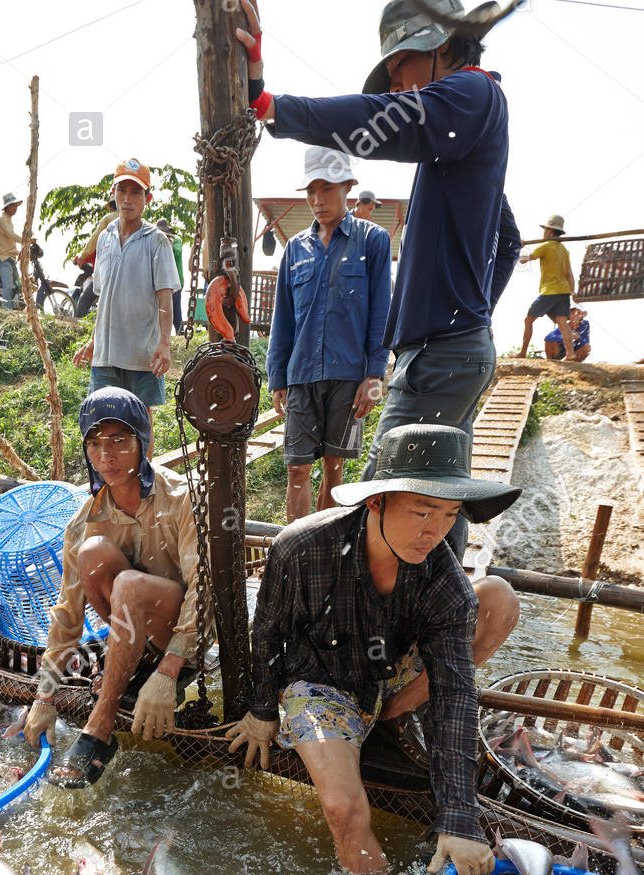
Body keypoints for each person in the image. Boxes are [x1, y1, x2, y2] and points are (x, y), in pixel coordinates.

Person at [237, 0, 522, 560]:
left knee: (380, 500)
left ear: (442, 47)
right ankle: (438, 630)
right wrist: (473, 315)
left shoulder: (473, 92)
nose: (395, 82)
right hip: (451, 350)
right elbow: (508, 238)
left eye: (401, 66)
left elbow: (382, 121)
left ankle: (373, 633)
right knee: (436, 501)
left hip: (442, 355)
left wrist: (271, 106)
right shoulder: (459, 150)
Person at [227, 423, 521, 875]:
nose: (435, 532)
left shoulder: (445, 584)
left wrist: (459, 817)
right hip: (320, 680)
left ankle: (391, 718)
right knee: (344, 808)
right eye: (422, 512)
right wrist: (262, 711)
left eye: (449, 515)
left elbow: (455, 693)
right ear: (376, 501)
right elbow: (267, 630)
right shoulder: (301, 548)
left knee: (498, 597)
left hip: (394, 673)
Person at [23, 388, 203, 788]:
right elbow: (67, 612)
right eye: (95, 443)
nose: (106, 455)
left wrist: (169, 669)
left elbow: (203, 587)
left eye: (120, 441)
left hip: (180, 632)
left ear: (144, 442)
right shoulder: (84, 519)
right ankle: (133, 662)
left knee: (131, 583)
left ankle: (100, 725)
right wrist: (45, 696)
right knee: (93, 552)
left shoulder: (181, 499)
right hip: (131, 627)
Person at [266, 145, 391, 523]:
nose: (318, 200)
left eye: (327, 189)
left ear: (348, 188)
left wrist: (374, 374)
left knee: (334, 467)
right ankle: (294, 551)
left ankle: (322, 545)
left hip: (349, 375)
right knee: (296, 469)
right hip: (301, 373)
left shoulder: (373, 241)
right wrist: (278, 376)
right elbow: (283, 318)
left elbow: (381, 314)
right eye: (311, 191)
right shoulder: (295, 250)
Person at [73, 159, 181, 460]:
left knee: (140, 420)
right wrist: (94, 342)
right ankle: (110, 488)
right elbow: (103, 297)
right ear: (114, 193)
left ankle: (143, 481)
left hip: (142, 355)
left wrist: (163, 344)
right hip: (106, 354)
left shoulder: (156, 241)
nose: (128, 198)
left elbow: (164, 298)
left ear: (147, 199)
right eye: (123, 190)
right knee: (102, 423)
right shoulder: (105, 238)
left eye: (136, 192)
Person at [517, 214, 577, 360]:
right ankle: (571, 353)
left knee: (528, 320)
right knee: (562, 322)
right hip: (564, 290)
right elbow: (570, 273)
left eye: (545, 230)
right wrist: (573, 291)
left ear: (550, 231)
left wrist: (519, 247)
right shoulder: (564, 250)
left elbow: (524, 260)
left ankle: (523, 352)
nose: (543, 233)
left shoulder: (545, 246)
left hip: (550, 291)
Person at [0, 193, 24, 307]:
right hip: (3, 257)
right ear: (7, 207)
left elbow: (10, 242)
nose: (15, 209)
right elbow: (10, 235)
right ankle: (7, 312)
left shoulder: (9, 220)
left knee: (18, 284)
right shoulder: (2, 219)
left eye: (16, 206)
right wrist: (25, 240)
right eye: (13, 206)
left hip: (11, 257)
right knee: (8, 286)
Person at [156, 217, 185, 334]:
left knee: (176, 307)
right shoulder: (156, 241)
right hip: (162, 281)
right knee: (161, 308)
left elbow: (175, 252)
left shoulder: (176, 240)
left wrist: (168, 242)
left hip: (177, 279)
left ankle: (179, 331)